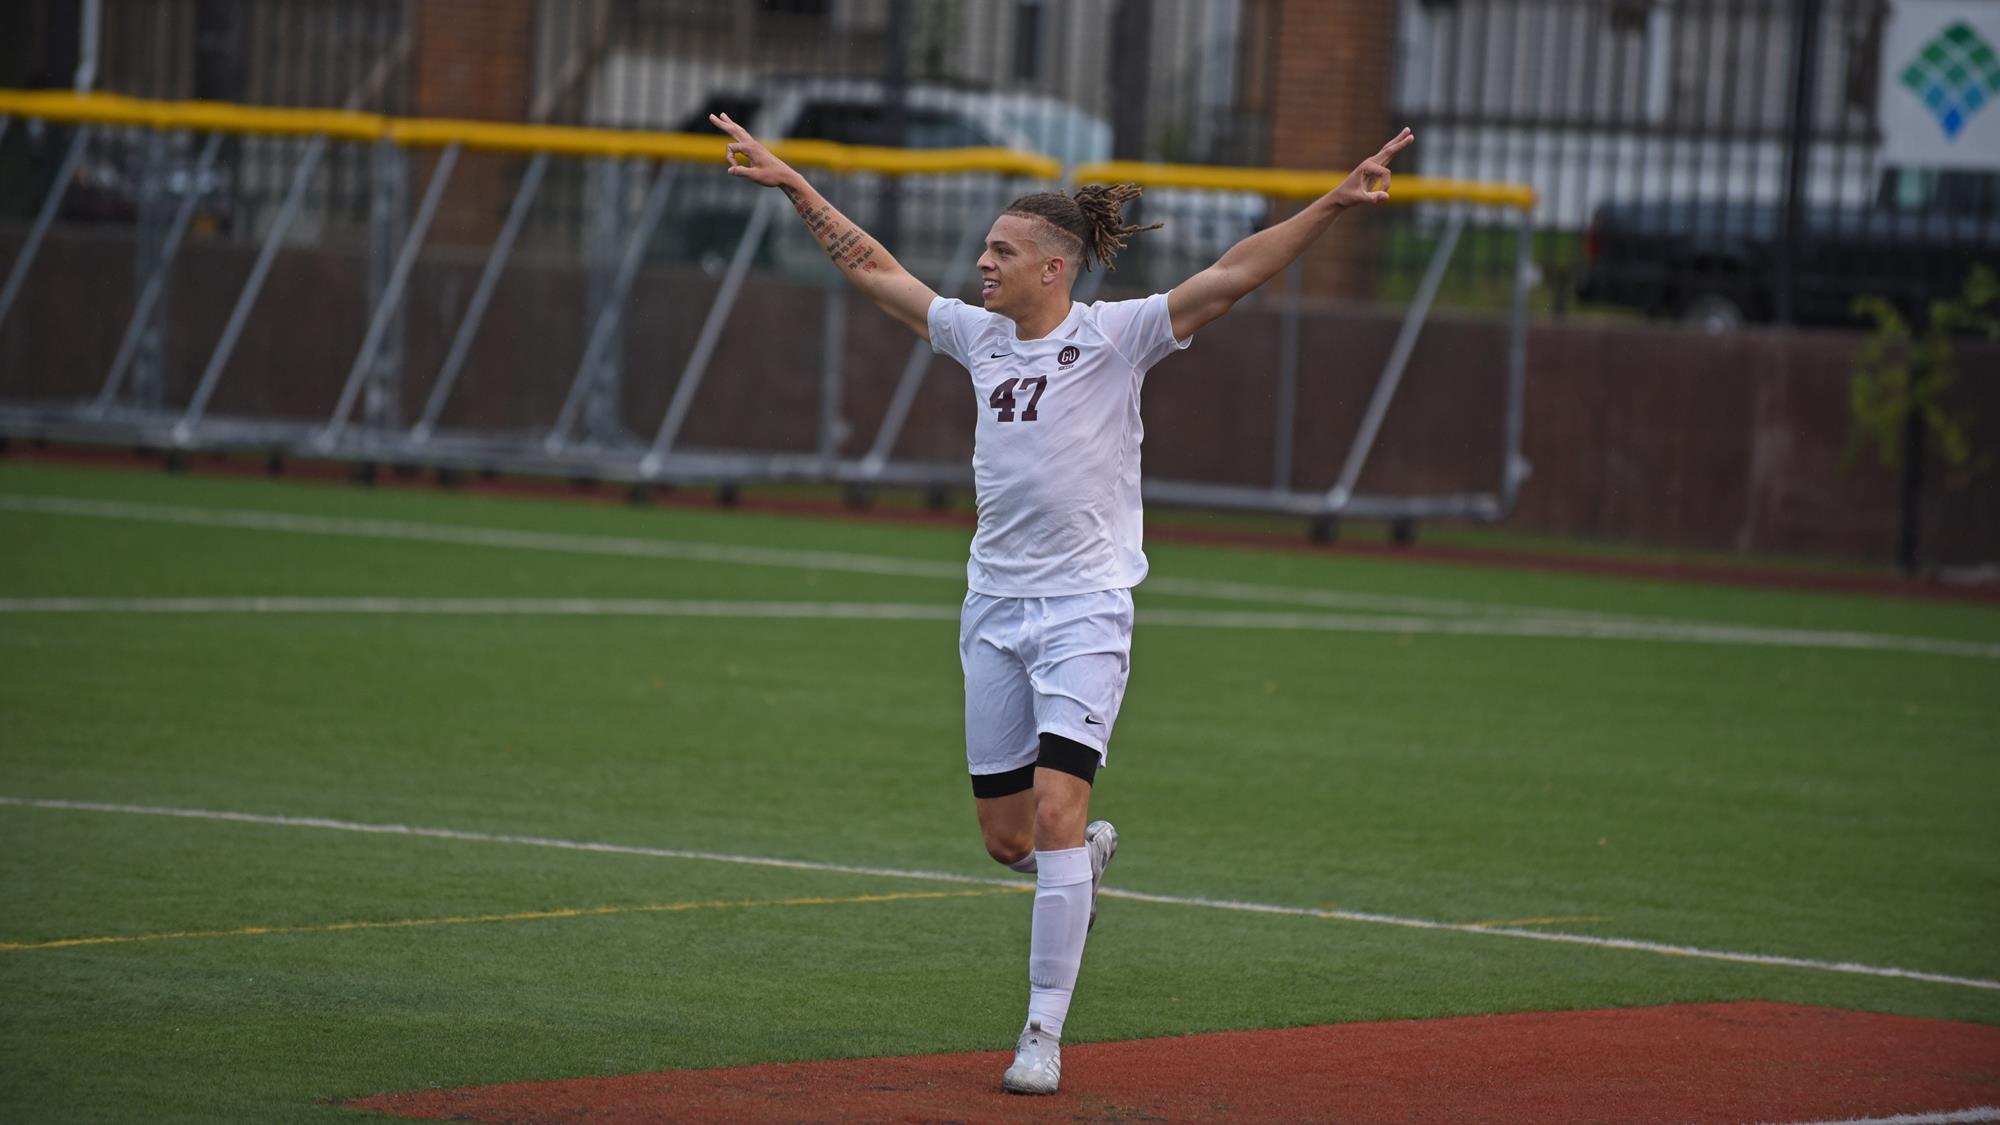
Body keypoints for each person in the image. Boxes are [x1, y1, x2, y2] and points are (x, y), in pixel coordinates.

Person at [709, 109, 1413, 1095]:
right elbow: (873, 269)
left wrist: (1332, 203)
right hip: (991, 613)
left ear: (1055, 266)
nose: (981, 264)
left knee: (1051, 808)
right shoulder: (976, 336)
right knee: (1009, 841)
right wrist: (792, 183)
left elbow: (1234, 274)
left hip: (1083, 610)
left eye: (1001, 250)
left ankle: (1040, 1034)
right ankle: (1082, 856)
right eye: (984, 250)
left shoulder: (1117, 339)